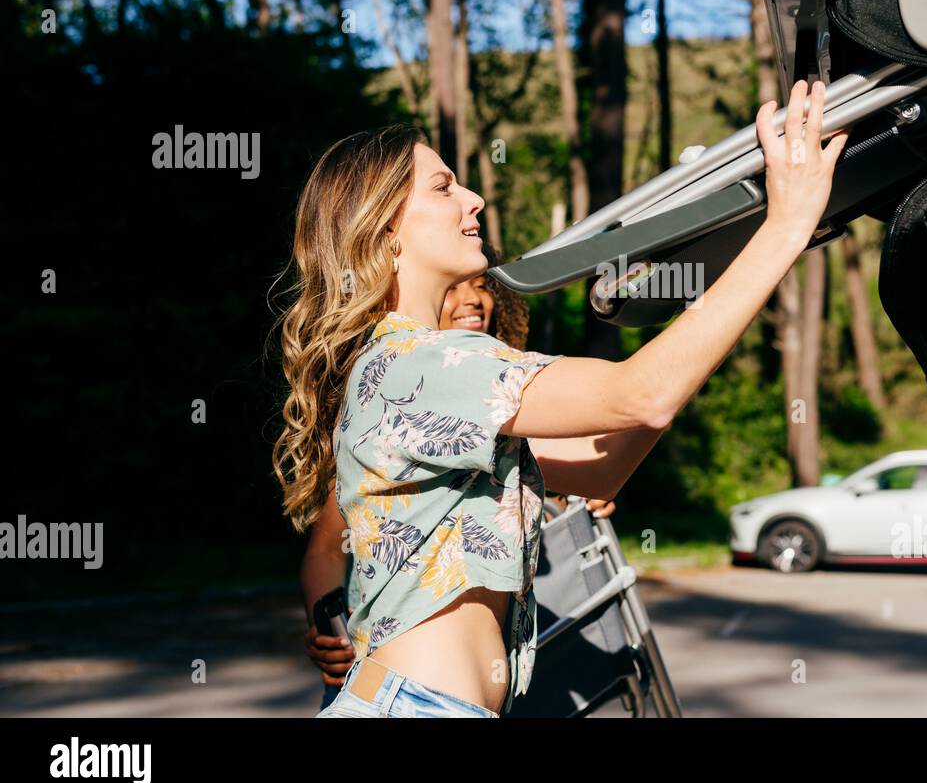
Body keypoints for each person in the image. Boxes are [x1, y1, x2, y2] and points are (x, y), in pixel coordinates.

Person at [273, 79, 846, 717]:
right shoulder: (421, 364)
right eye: (442, 187)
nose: (475, 198)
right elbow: (643, 394)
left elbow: (607, 457)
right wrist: (785, 225)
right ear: (382, 233)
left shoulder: (418, 371)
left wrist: (697, 336)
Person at [298, 251, 612, 711]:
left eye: (483, 286)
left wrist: (577, 499)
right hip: (397, 677)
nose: (473, 299)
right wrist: (331, 630)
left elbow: (587, 459)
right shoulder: (394, 390)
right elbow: (326, 547)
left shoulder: (512, 401)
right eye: (453, 287)